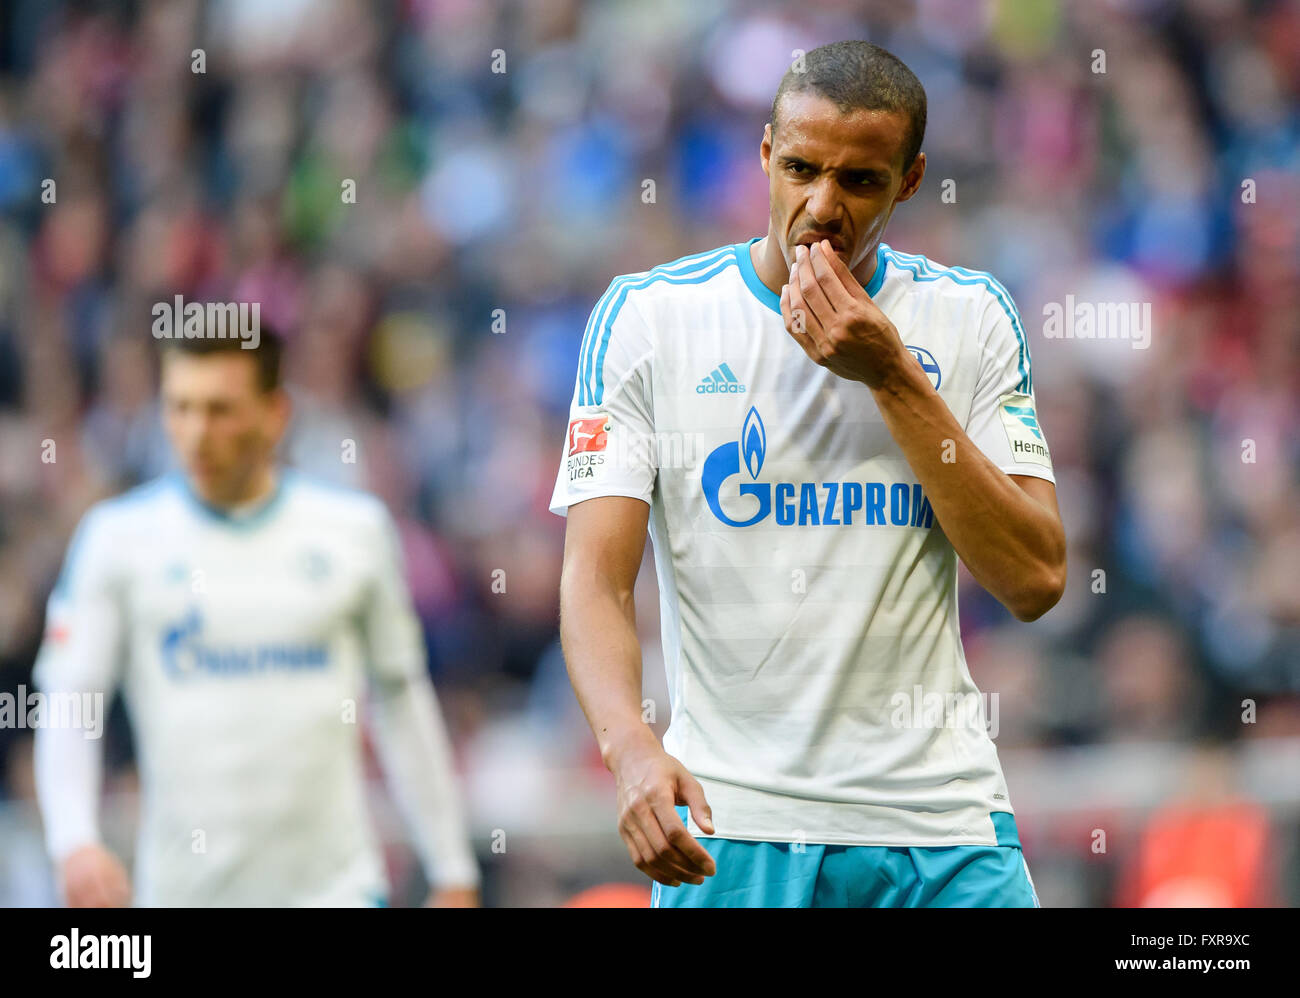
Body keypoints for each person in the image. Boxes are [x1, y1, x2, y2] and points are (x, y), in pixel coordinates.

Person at [551, 40, 1065, 907]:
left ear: (910, 180)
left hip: (938, 826)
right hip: (736, 826)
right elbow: (596, 577)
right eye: (800, 168)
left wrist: (894, 377)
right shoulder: (649, 319)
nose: (822, 206)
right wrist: (632, 746)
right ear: (764, 155)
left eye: (861, 181)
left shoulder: (969, 317)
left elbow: (1035, 578)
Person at [33, 326, 481, 907]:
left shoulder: (354, 533)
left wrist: (451, 867)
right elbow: (70, 700)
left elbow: (400, 699)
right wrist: (74, 842)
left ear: (275, 414)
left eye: (220, 410)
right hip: (181, 896)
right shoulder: (116, 541)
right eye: (180, 408)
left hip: (337, 894)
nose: (196, 433)